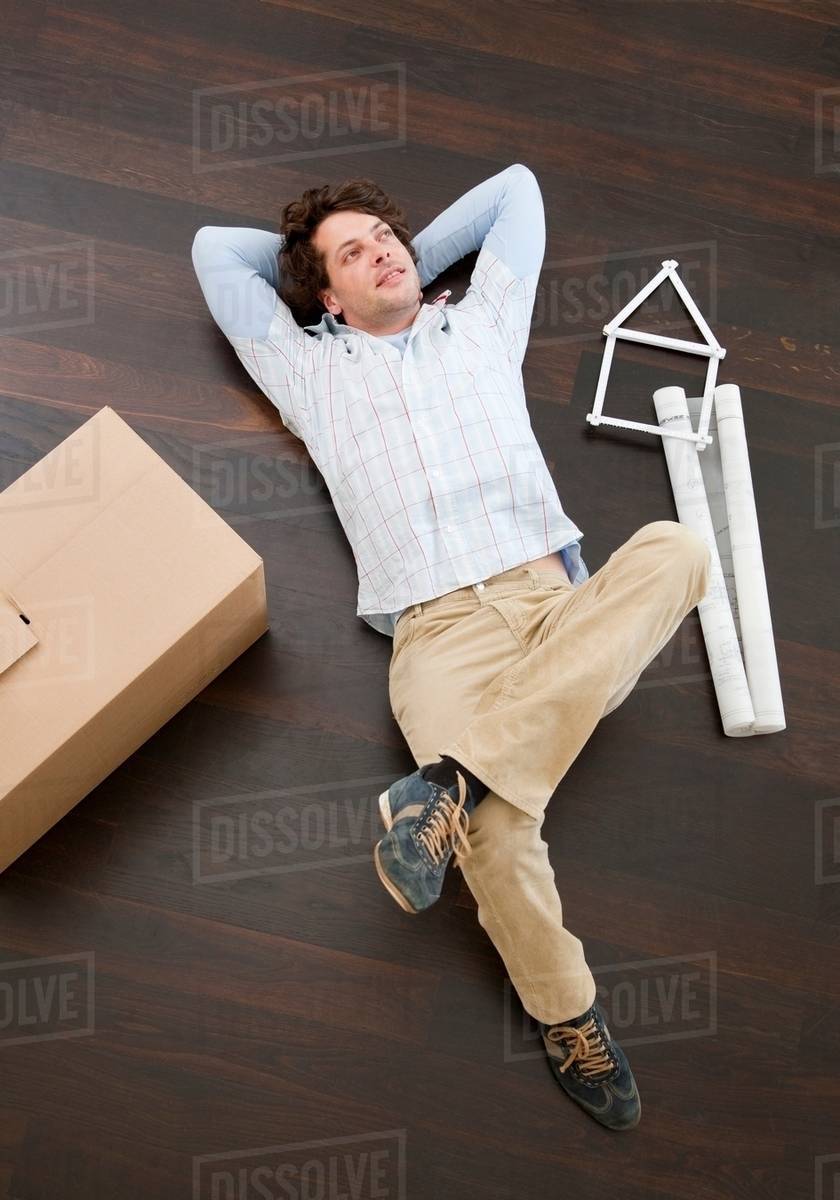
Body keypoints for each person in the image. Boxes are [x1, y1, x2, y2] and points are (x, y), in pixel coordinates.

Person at [191, 164, 712, 1132]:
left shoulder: (479, 322)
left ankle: (449, 784)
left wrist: (398, 265)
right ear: (322, 296)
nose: (382, 250)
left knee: (679, 549)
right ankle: (570, 1014)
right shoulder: (303, 365)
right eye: (354, 253)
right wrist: (321, 271)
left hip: (548, 593)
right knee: (499, 838)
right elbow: (214, 252)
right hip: (435, 629)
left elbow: (517, 189)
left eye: (388, 237)